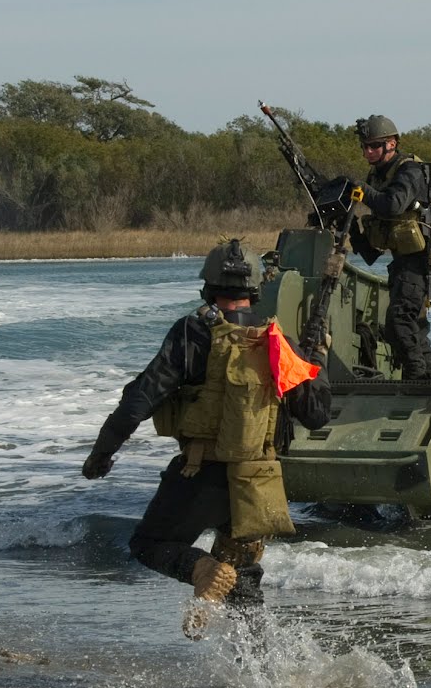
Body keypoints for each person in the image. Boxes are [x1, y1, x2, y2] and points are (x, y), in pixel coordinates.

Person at [81, 239, 331, 636]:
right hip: (258, 484)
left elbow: (139, 400)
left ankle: (203, 569)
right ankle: (270, 669)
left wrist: (102, 454)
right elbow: (316, 415)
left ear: (208, 286)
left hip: (202, 474)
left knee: (149, 543)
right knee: (244, 591)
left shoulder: (193, 332)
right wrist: (317, 361)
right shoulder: (276, 340)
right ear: (255, 289)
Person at [347, 114, 431, 382]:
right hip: (402, 261)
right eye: (365, 146)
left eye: (374, 146)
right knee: (406, 326)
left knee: (401, 321)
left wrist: (361, 189)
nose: (368, 152)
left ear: (391, 144)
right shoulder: (379, 175)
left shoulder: (409, 171)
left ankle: (416, 380)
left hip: (421, 261)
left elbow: (393, 205)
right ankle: (427, 378)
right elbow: (372, 249)